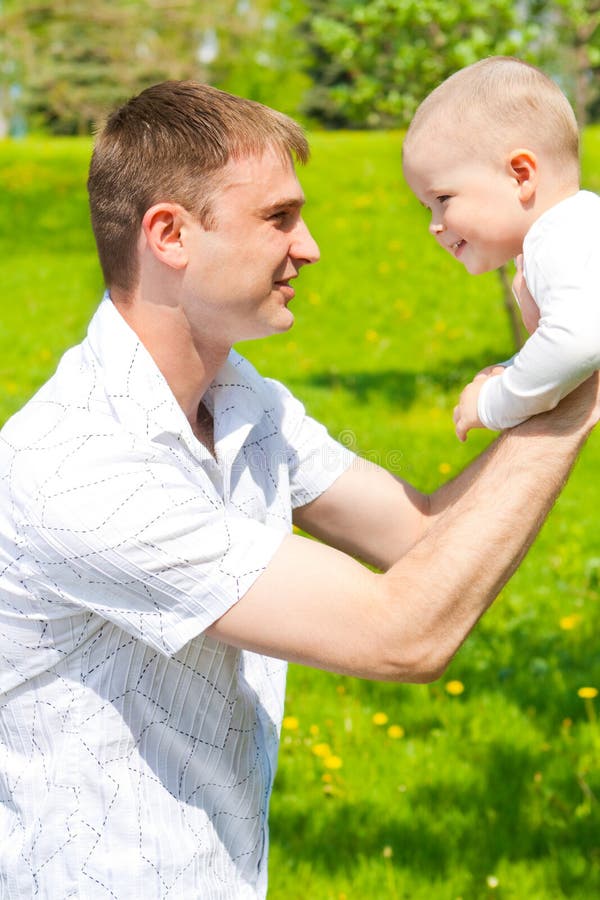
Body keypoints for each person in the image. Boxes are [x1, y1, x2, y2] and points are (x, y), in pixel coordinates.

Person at [0, 80, 598, 900]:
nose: (310, 247)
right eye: (278, 218)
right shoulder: (79, 467)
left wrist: (563, 369)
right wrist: (575, 390)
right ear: (170, 235)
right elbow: (404, 633)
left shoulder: (247, 404)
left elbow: (423, 540)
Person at [401, 56, 600, 442]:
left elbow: (577, 341)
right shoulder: (576, 226)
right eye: (429, 208)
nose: (434, 224)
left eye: (443, 197)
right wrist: (516, 368)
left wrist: (492, 403)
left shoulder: (558, 237)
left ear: (520, 176)